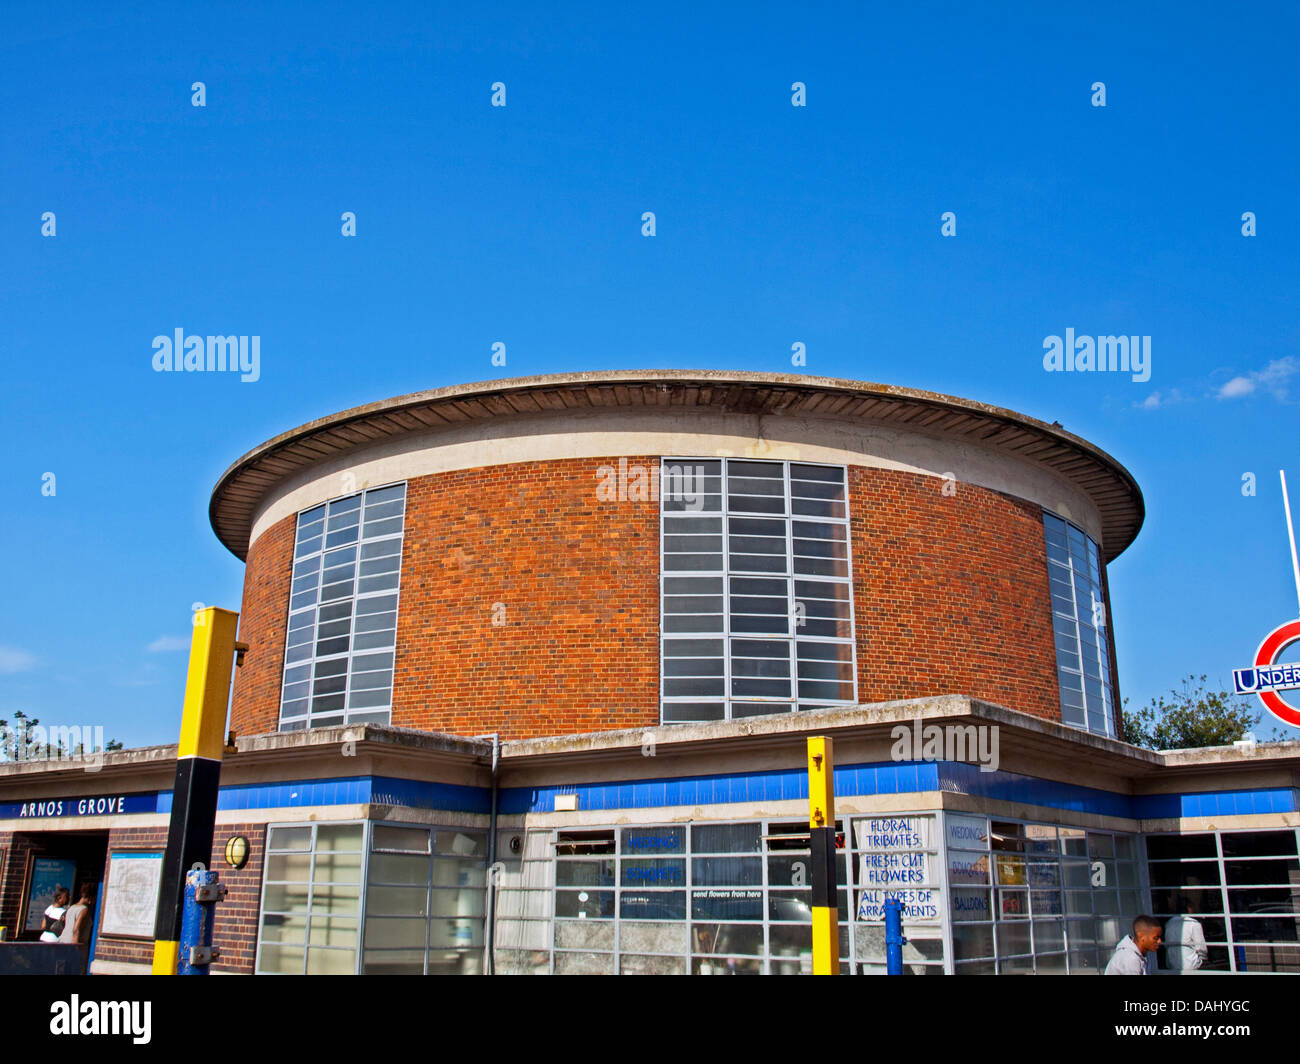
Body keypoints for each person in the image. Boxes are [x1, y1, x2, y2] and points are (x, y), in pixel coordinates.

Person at [1165, 889, 1209, 971]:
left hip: (1172, 965)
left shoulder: (1169, 923)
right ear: (1189, 908)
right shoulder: (1193, 923)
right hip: (1191, 966)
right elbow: (1201, 948)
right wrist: (1201, 961)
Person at [58, 883, 97, 974]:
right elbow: (76, 929)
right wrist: (76, 950)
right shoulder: (84, 910)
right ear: (91, 897)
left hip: (63, 942)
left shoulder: (72, 907)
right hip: (75, 945)